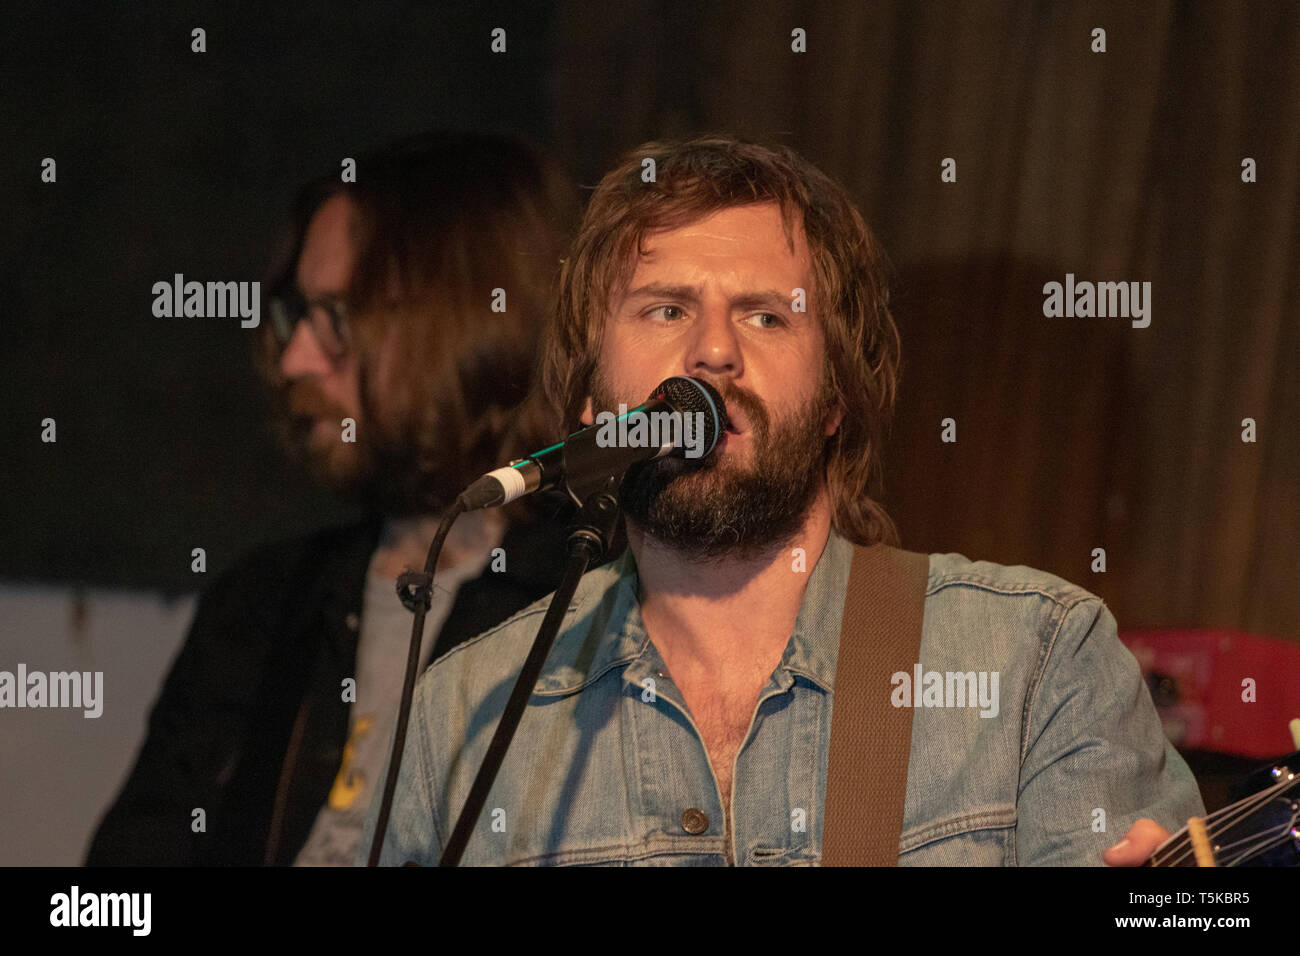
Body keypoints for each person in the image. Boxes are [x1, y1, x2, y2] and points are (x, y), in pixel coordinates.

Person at [369, 135, 1204, 866]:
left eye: (767, 317)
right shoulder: (468, 715)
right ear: (591, 402)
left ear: (835, 396)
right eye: (666, 309)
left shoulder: (1035, 663)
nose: (713, 351)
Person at [87, 130, 578, 866]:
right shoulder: (263, 605)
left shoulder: (598, 601)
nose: (293, 360)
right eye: (296, 316)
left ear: (471, 320)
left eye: (337, 318)